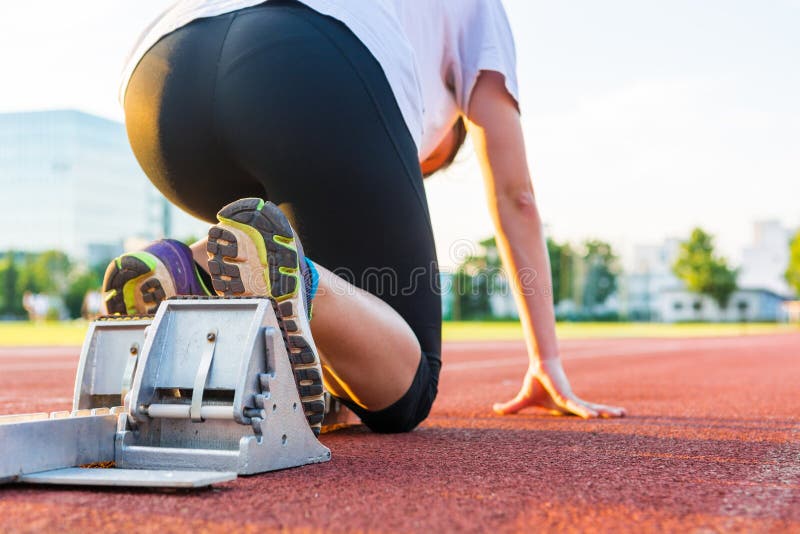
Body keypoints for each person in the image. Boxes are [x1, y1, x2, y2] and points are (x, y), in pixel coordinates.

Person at [105, 0, 625, 435]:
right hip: (311, 63)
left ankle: (187, 268)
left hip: (160, 84)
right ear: (449, 125)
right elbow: (517, 195)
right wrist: (546, 361)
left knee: (268, 238)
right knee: (408, 388)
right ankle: (304, 281)